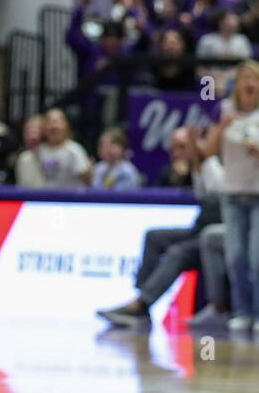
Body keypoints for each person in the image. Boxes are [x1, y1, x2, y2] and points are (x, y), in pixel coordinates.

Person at [99, 127, 225, 327]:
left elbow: (218, 187)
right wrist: (196, 165)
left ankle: (140, 305)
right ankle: (141, 302)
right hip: (199, 228)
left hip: (217, 231)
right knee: (154, 236)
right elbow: (203, 194)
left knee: (177, 253)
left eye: (186, 146)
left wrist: (202, 160)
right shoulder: (199, 166)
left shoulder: (223, 162)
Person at [199, 60, 259, 331]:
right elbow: (208, 151)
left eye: (254, 78)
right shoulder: (223, 110)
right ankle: (242, 311)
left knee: (256, 257)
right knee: (236, 257)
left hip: (258, 194)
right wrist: (222, 127)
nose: (249, 83)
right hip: (232, 194)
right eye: (245, 78)